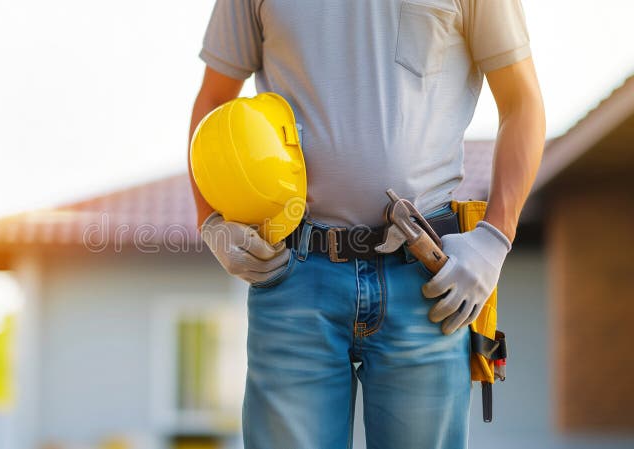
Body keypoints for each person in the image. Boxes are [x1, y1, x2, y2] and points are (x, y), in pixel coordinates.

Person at [187, 1, 545, 448]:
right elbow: (215, 100)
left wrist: (495, 238)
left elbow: (522, 102)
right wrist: (212, 223)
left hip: (427, 280)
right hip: (291, 273)